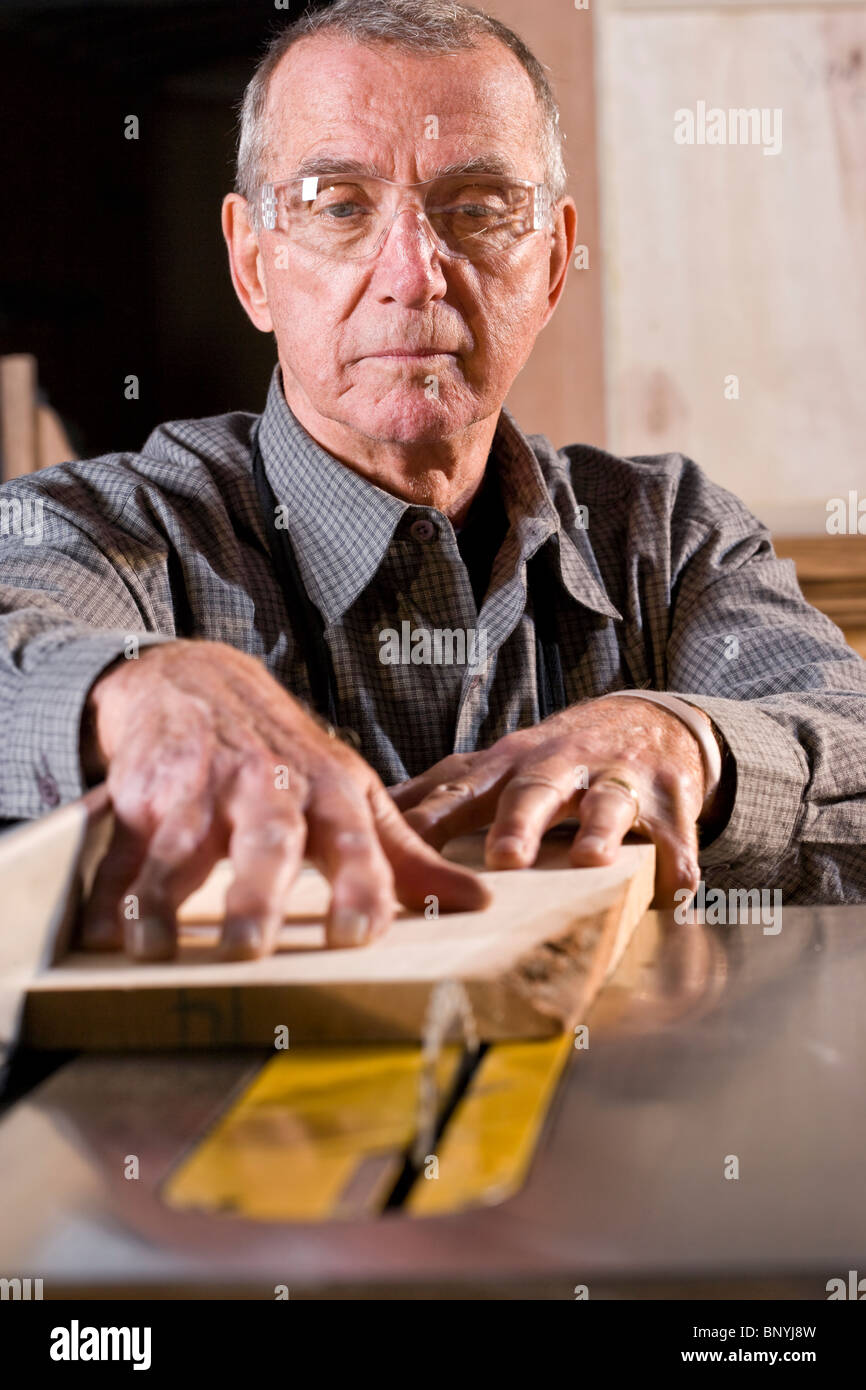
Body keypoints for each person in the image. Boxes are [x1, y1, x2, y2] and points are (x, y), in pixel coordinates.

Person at [2, 0, 864, 963]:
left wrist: (688, 742)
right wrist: (134, 690)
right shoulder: (103, 527)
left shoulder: (670, 535)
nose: (413, 274)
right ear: (252, 264)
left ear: (549, 265)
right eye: (338, 205)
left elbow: (849, 735)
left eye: (480, 208)